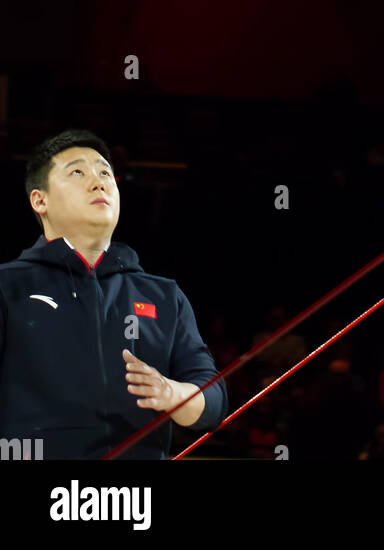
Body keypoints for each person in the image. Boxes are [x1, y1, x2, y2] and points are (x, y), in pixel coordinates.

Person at [0, 129, 227, 459]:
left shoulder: (164, 295)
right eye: (78, 172)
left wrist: (172, 392)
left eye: (105, 172)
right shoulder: (8, 286)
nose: (99, 181)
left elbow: (214, 401)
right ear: (40, 200)